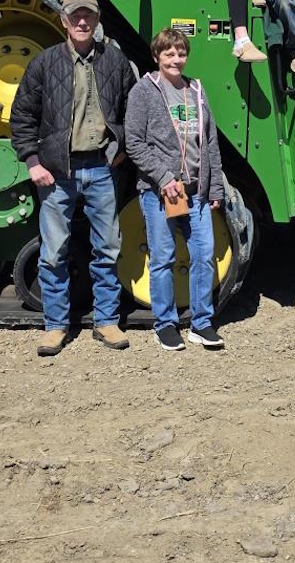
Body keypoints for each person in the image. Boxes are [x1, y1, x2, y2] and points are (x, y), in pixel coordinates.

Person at [11, 0, 137, 357]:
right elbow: (22, 115)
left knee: (107, 249)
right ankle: (55, 326)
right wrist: (32, 162)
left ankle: (107, 321)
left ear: (97, 21)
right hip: (57, 170)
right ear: (64, 20)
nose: (83, 22)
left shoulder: (115, 60)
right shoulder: (45, 63)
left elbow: (132, 110)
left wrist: (123, 148)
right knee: (53, 253)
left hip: (102, 166)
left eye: (89, 16)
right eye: (76, 16)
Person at [124, 27, 228, 351]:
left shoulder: (196, 90)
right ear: (157, 56)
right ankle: (165, 324)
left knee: (204, 256)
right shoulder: (143, 91)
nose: (176, 59)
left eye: (181, 53)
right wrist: (164, 178)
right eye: (169, 54)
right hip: (160, 192)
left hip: (196, 192)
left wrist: (215, 187)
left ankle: (201, 323)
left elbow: (209, 141)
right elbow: (134, 143)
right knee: (163, 259)